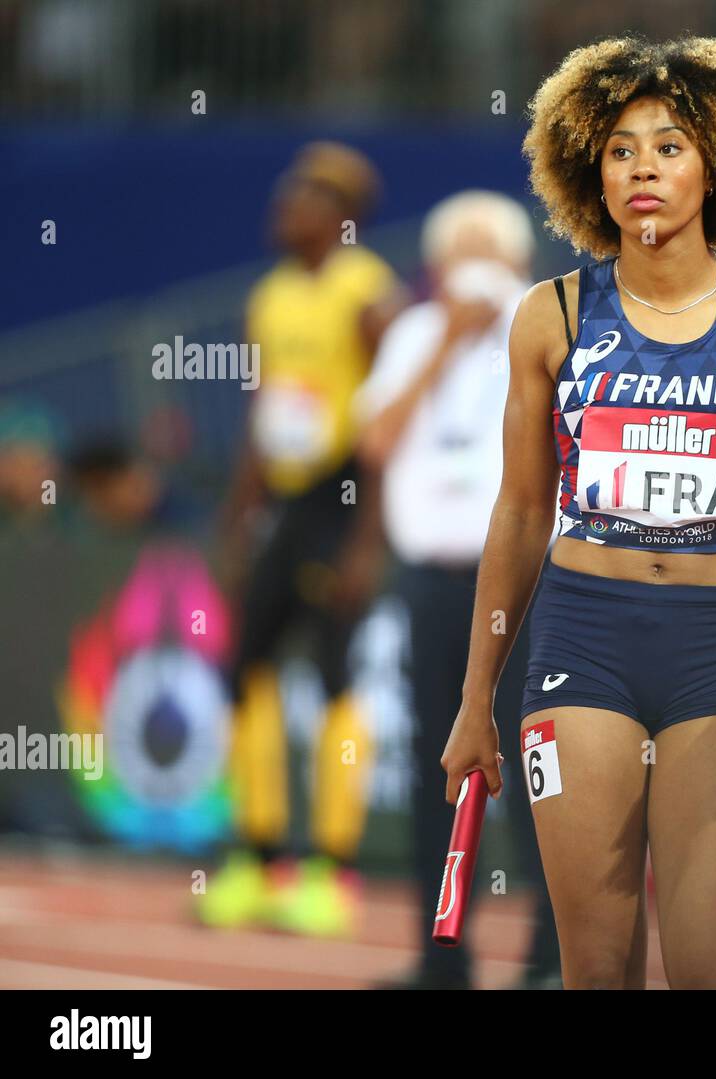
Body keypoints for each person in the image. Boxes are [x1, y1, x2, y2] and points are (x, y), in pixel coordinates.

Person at [440, 35, 716, 989]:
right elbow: (522, 509)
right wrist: (474, 694)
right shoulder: (554, 315)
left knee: (707, 972)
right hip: (585, 638)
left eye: (670, 145)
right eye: (621, 148)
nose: (644, 168)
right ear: (591, 169)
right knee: (599, 970)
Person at [197, 141, 409, 937]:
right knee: (245, 664)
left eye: (300, 199)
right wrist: (236, 519)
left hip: (341, 499)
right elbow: (263, 413)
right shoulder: (271, 295)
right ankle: (258, 856)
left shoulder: (369, 295)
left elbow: (390, 419)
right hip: (284, 506)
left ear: (340, 215)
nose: (283, 210)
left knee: (332, 676)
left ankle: (334, 869)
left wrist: (368, 537)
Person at [354, 190, 563, 989]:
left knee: (542, 767)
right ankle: (443, 959)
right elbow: (375, 440)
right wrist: (444, 344)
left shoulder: (545, 323)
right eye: (457, 253)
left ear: (515, 260)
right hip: (434, 581)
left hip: (525, 579)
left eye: (487, 250)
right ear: (436, 268)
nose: (471, 268)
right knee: (433, 768)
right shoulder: (413, 332)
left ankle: (554, 959)